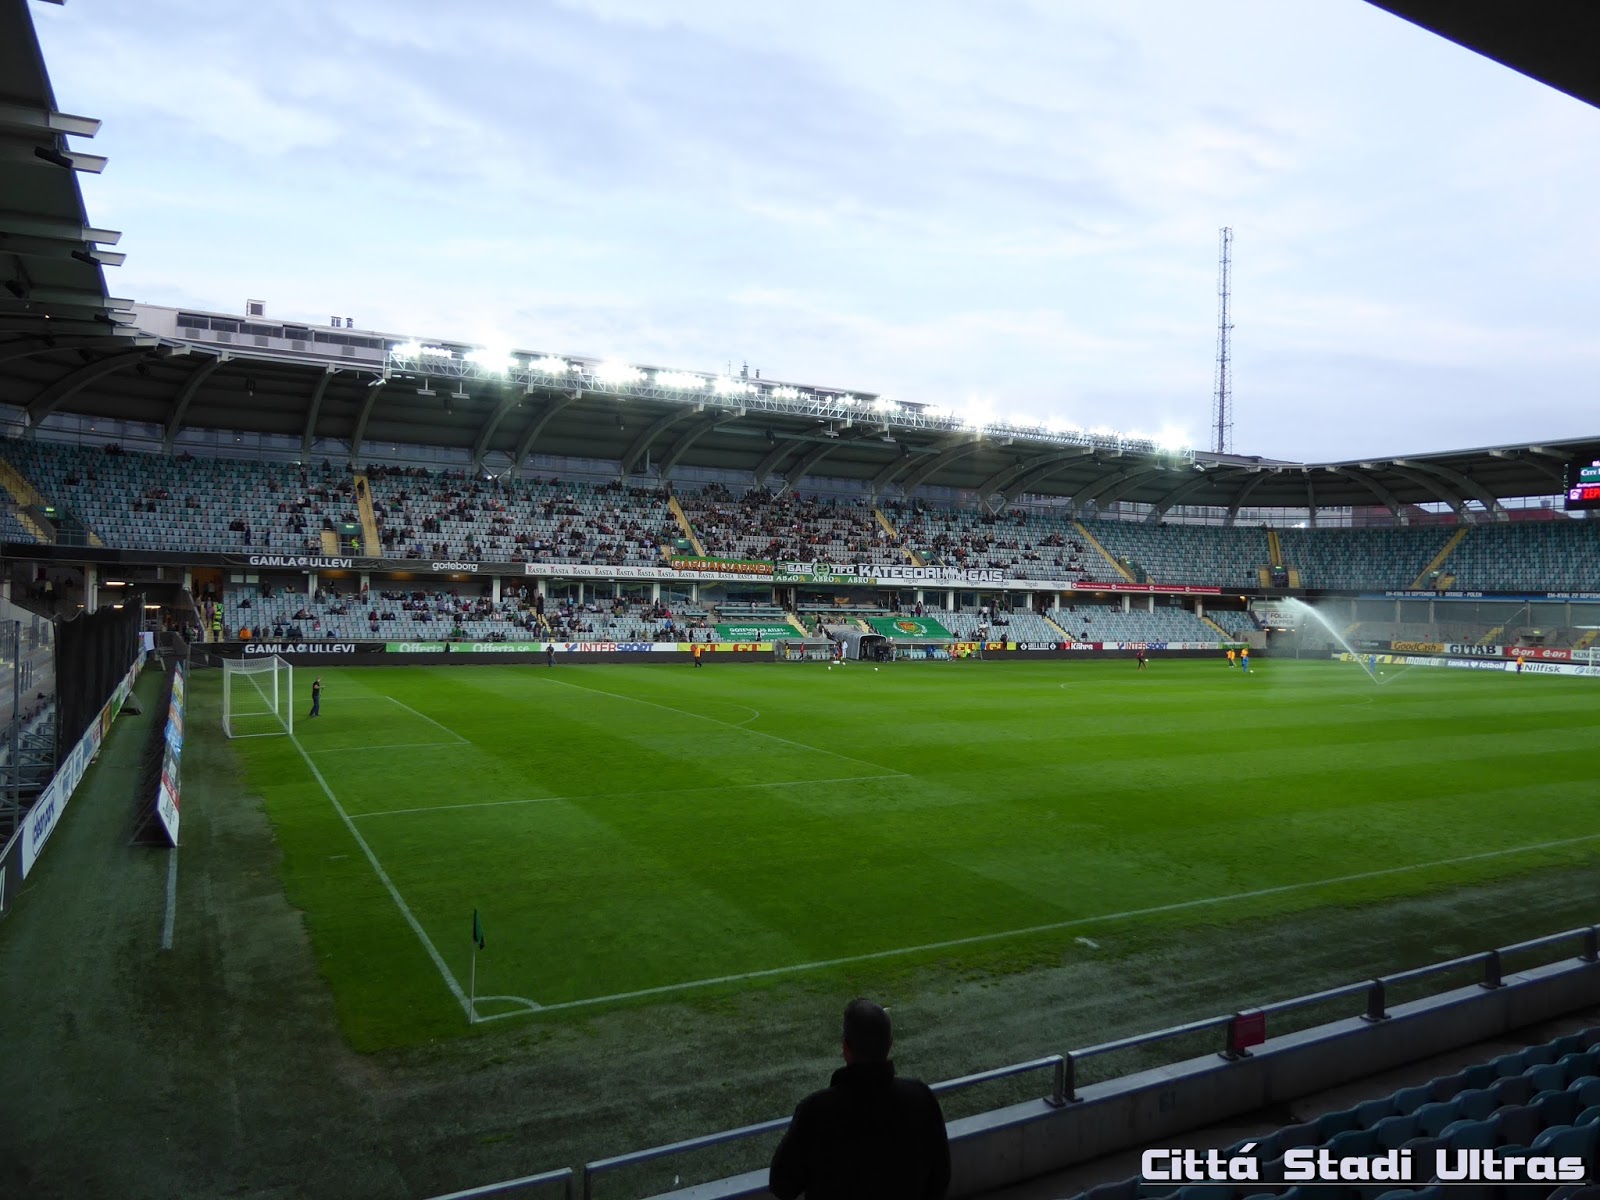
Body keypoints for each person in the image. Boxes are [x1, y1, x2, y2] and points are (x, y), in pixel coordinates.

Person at [769, 999, 949, 1200]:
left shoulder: (815, 1112)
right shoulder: (922, 1099)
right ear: (891, 1044)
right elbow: (940, 1177)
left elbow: (782, 1186)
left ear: (845, 1048)